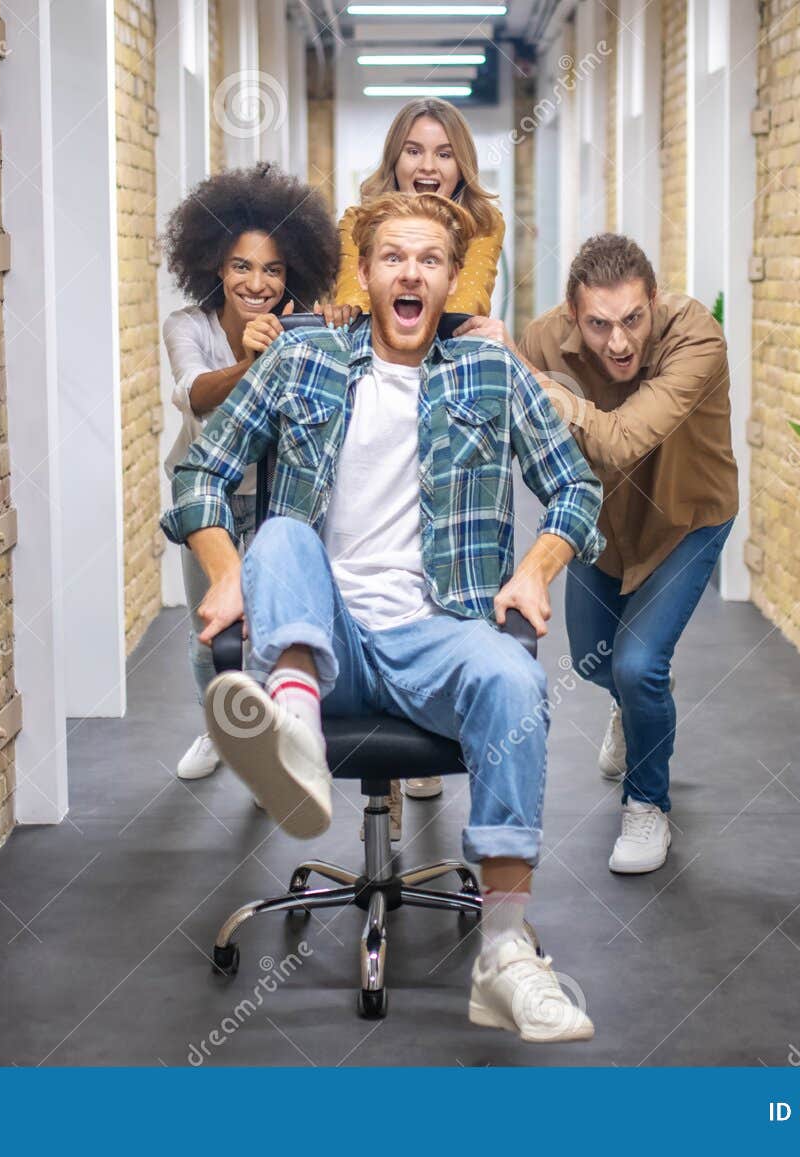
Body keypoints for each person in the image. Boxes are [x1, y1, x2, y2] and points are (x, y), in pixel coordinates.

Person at [161, 192, 603, 1042]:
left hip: (442, 630)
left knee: (514, 674)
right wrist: (224, 571)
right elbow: (200, 476)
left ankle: (506, 958)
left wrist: (539, 570)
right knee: (282, 532)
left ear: (449, 278)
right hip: (325, 633)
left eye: (429, 260)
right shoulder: (301, 359)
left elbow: (578, 488)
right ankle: (291, 721)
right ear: (363, 274)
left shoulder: (492, 369)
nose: (410, 273)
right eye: (393, 257)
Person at [518, 234, 738, 875]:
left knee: (639, 663)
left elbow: (619, 442)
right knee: (596, 663)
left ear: (654, 300)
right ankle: (633, 703)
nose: (618, 342)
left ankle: (647, 807)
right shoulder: (543, 342)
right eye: (598, 324)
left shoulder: (697, 337)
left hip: (687, 519)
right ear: (571, 314)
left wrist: (535, 387)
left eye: (632, 320)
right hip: (602, 521)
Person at [323, 97, 506, 809]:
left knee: (432, 552)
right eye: (415, 151)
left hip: (445, 396)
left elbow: (465, 305)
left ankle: (419, 720)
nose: (428, 166)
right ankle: (382, 798)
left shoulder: (482, 227)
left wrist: (439, 311)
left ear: (462, 162)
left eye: (444, 153)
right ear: (394, 157)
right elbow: (351, 302)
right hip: (377, 392)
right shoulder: (354, 222)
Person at [161, 163, 340, 783]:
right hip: (205, 493)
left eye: (272, 269)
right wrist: (252, 360)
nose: (256, 283)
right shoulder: (189, 326)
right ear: (215, 265)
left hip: (275, 494)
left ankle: (270, 746)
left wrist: (306, 339)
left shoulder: (300, 328)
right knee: (210, 625)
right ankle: (221, 731)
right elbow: (197, 395)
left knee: (273, 621)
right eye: (241, 266)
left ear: (294, 274)